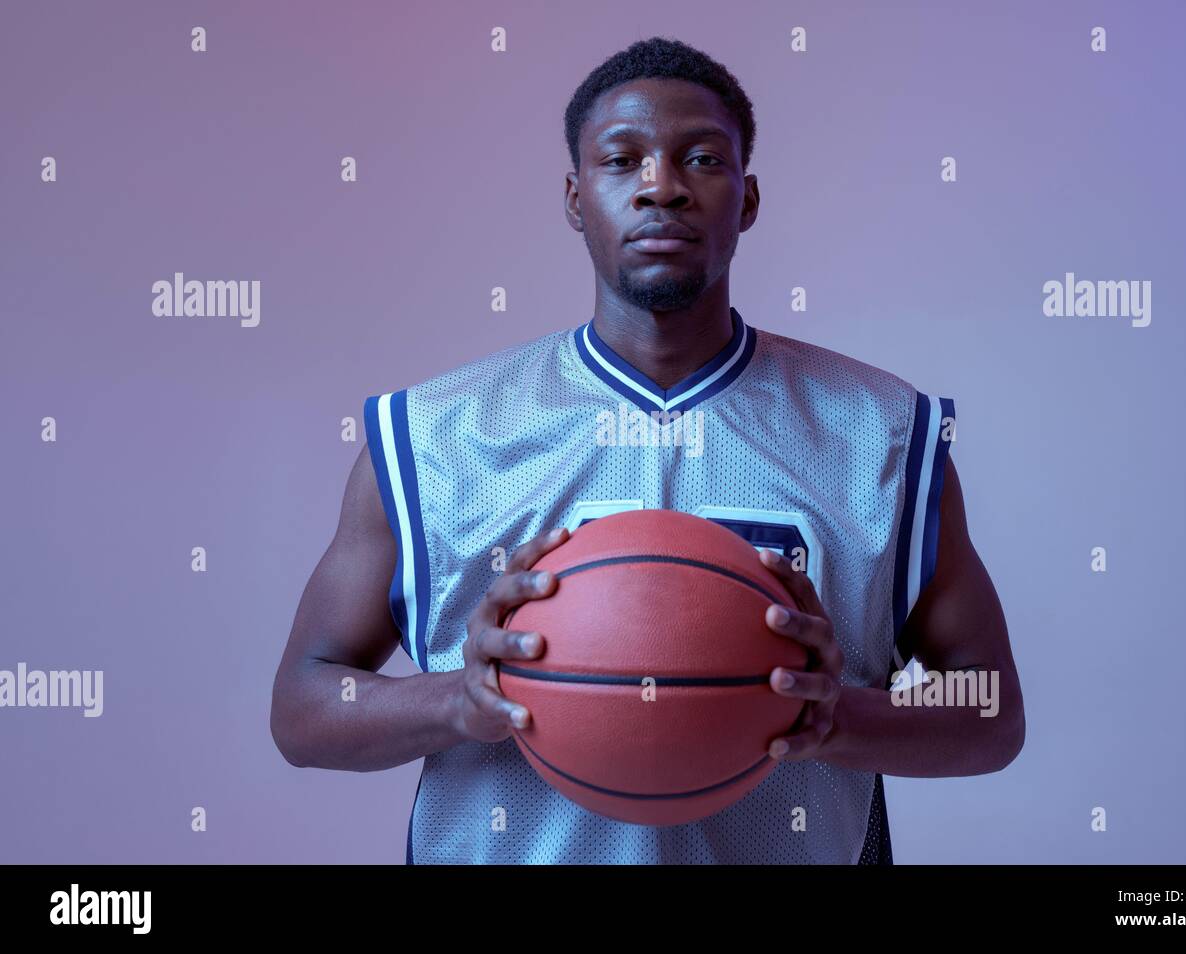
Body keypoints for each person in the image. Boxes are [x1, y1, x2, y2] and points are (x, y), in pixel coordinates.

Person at [271, 36, 1024, 864]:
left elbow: (991, 711)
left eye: (701, 159)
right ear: (574, 197)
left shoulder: (881, 430)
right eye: (622, 161)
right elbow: (303, 708)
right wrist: (460, 699)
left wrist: (834, 716)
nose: (661, 187)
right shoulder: (434, 434)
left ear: (747, 198)